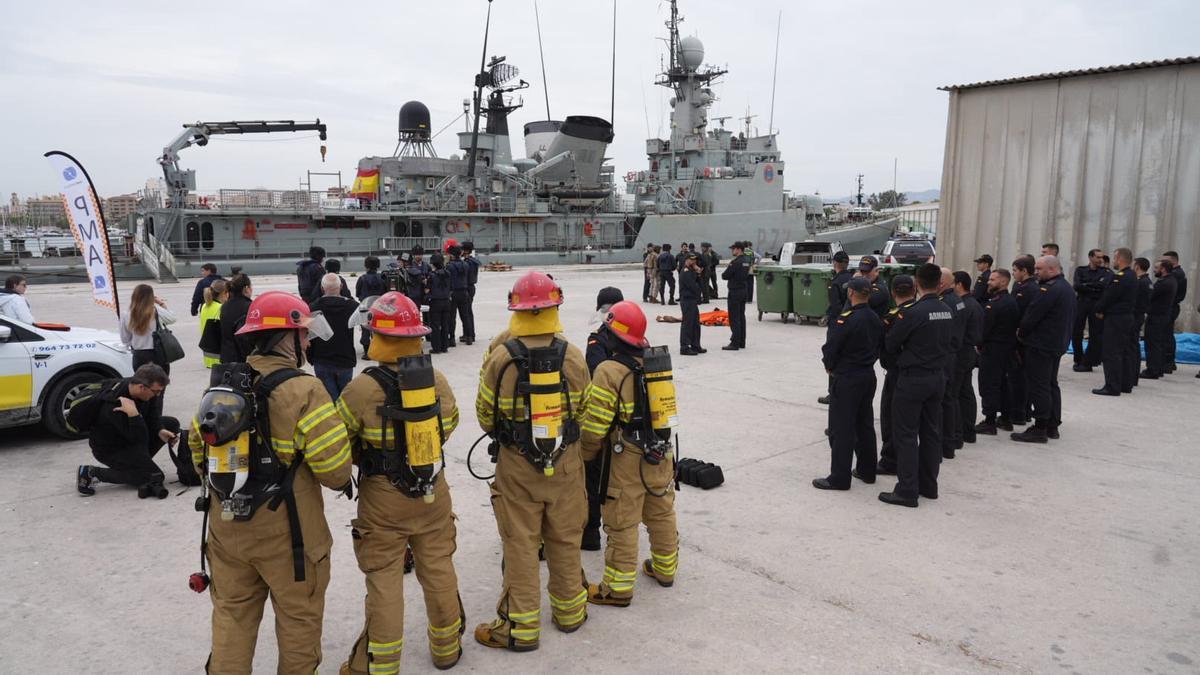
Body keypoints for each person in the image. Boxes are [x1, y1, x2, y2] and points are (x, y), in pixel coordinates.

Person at [187, 290, 353, 673]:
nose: (308, 341)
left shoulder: (220, 388)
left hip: (226, 532)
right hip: (290, 538)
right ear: (287, 337)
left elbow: (199, 456)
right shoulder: (305, 390)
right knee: (298, 620)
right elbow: (336, 473)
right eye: (304, 334)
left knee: (231, 617)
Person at [336, 292, 466, 673]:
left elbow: (340, 440)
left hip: (382, 496)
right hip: (432, 490)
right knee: (439, 568)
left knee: (384, 579)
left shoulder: (361, 389)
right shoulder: (436, 379)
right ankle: (446, 650)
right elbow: (450, 423)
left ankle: (381, 664)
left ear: (377, 335)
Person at [474, 271, 590, 652]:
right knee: (566, 538)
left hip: (518, 468)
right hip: (567, 463)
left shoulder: (501, 358)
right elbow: (585, 410)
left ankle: (520, 629)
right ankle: (571, 612)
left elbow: (485, 414)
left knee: (521, 545)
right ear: (555, 306)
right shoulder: (573, 355)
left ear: (516, 308)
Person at [581, 301, 680, 606]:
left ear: (614, 335)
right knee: (661, 510)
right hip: (661, 452)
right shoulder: (655, 363)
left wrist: (586, 453)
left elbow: (595, 425)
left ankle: (618, 589)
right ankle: (665, 569)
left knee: (622, 519)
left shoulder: (609, 370)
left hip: (627, 457)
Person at [878, 263, 953, 508]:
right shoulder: (947, 309)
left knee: (906, 435)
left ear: (918, 284)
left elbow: (891, 343)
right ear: (939, 284)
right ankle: (929, 486)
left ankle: (907, 490)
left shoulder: (912, 313)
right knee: (931, 432)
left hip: (913, 379)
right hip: (937, 377)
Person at [813, 277, 883, 491]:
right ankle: (867, 470)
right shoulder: (875, 317)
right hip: (867, 375)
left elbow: (831, 348)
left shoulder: (846, 319)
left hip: (847, 378)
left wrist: (829, 366)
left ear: (851, 293)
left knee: (841, 429)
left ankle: (839, 477)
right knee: (865, 425)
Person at [76, 363, 178, 499]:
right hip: (111, 449)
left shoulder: (141, 388)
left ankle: (137, 464)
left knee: (171, 424)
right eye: (156, 391)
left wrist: (159, 430)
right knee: (151, 476)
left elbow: (153, 415)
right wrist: (134, 415)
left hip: (129, 438)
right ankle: (91, 473)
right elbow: (139, 440)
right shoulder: (114, 404)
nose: (158, 395)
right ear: (142, 387)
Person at [1012, 256, 1074, 443]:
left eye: (1039, 269)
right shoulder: (1065, 287)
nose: (1036, 272)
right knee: (1050, 384)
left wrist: (1020, 334)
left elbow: (1031, 317)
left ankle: (1040, 427)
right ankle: (1052, 425)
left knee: (1039, 386)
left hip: (1041, 345)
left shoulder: (1049, 290)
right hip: (1056, 344)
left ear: (1053, 269)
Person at [582, 286, 624, 552]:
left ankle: (591, 534)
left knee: (594, 478)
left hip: (603, 420)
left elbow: (595, 375)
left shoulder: (597, 340)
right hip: (631, 423)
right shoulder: (636, 337)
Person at [876, 274, 916, 476]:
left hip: (898, 372)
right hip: (924, 373)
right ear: (913, 290)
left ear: (893, 292)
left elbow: (889, 345)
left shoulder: (895, 316)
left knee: (892, 418)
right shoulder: (924, 310)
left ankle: (890, 460)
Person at [974, 269, 1019, 435]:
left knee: (989, 384)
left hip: (993, 350)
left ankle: (990, 421)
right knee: (1003, 384)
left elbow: (985, 329)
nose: (988, 282)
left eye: (993, 280)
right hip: (1005, 349)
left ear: (1003, 282)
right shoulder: (1009, 301)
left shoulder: (996, 303)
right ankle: (1006, 418)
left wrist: (978, 343)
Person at [1092, 247, 1136, 396]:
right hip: (1125, 317)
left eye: (1115, 258)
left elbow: (1109, 297)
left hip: (1116, 318)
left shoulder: (1121, 276)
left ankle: (1112, 386)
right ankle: (1125, 384)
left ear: (1120, 259)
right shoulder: (1132, 275)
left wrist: (1098, 309)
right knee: (1123, 351)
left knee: (1111, 352)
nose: (1114, 261)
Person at [308, 273, 359, 399]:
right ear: (341, 286)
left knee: (329, 400)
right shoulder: (353, 307)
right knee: (345, 400)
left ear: (321, 288)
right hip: (345, 359)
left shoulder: (313, 308)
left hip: (322, 359)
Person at [936, 268, 966, 459]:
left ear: (942, 284)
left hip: (945, 355)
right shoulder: (957, 300)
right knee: (950, 399)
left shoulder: (945, 303)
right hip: (954, 353)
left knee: (944, 401)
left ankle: (946, 442)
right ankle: (953, 438)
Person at [953, 271, 984, 444]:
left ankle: (958, 433)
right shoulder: (972, 304)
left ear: (958, 284)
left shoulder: (964, 305)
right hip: (969, 352)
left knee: (955, 394)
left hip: (963, 352)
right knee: (965, 392)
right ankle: (968, 430)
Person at [1008, 256, 1039, 427]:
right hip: (1020, 337)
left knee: (1019, 377)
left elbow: (1024, 314)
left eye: (1015, 271)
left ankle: (1020, 413)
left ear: (1024, 271)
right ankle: (1023, 411)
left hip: (1022, 339)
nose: (1013, 274)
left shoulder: (1031, 289)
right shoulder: (1021, 286)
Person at [119, 283, 177, 373]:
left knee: (142, 384)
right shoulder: (155, 310)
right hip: (157, 353)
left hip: (139, 355)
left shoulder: (126, 314)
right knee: (160, 383)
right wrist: (161, 303)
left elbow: (125, 339)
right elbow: (172, 318)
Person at [1072, 249, 1109, 372]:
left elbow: (1104, 286)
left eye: (1102, 257)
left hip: (1096, 304)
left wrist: (1086, 285)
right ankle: (1078, 358)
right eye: (1098, 257)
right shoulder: (1080, 270)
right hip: (1081, 303)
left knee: (1096, 333)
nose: (1100, 260)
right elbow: (1077, 285)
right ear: (1090, 257)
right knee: (1076, 331)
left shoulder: (1106, 272)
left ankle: (1088, 361)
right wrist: (1094, 286)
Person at [1141, 259, 1178, 379]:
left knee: (1153, 344)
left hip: (1157, 317)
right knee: (1158, 344)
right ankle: (1158, 368)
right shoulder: (1170, 281)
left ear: (1163, 269)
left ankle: (1153, 370)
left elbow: (1150, 296)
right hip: (1161, 316)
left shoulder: (1164, 283)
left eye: (1156, 268)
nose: (1154, 270)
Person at [355, 256, 390, 357]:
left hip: (365, 306)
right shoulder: (383, 278)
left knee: (365, 328)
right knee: (379, 328)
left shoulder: (362, 278)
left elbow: (358, 293)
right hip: (380, 307)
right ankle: (380, 348)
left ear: (366, 266)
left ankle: (367, 352)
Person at [219, 273, 254, 365]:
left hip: (227, 355)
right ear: (246, 288)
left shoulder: (225, 306)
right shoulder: (250, 307)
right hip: (244, 358)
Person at [1162, 251, 1187, 374]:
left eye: (1165, 261)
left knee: (1166, 335)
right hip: (1170, 306)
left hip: (1170, 307)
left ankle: (1168, 362)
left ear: (1174, 261)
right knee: (1167, 334)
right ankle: (1168, 361)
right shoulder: (1176, 274)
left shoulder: (1176, 275)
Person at [722, 241, 750, 350]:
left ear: (738, 249)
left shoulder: (735, 262)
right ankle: (742, 341)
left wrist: (729, 266)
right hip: (743, 290)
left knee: (734, 318)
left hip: (734, 291)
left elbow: (725, 275)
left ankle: (735, 343)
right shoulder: (746, 261)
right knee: (741, 317)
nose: (732, 251)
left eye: (733, 249)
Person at [1130, 257, 1153, 388]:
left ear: (1137, 266)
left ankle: (1132, 375)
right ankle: (1133, 375)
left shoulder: (1141, 283)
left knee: (1132, 347)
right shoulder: (1147, 282)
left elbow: (1135, 301)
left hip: (1135, 316)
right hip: (1139, 316)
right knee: (1134, 346)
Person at [447, 245, 475, 346]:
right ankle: (469, 337)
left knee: (452, 317)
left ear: (452, 255)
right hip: (464, 292)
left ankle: (452, 339)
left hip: (453, 292)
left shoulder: (449, 266)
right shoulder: (465, 265)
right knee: (465, 316)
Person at [425, 252, 453, 353]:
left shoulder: (431, 276)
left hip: (435, 302)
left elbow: (427, 290)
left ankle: (436, 347)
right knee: (445, 324)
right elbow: (451, 288)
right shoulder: (448, 273)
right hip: (446, 301)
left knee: (435, 325)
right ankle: (445, 346)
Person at [679, 252, 705, 355]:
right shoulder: (685, 271)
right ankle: (684, 347)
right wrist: (699, 294)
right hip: (687, 300)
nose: (694, 261)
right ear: (687, 260)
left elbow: (697, 282)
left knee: (695, 324)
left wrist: (698, 273)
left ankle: (695, 345)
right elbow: (693, 286)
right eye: (692, 259)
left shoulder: (691, 270)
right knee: (687, 324)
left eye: (695, 260)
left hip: (692, 300)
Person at [199, 279, 227, 369]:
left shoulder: (205, 305)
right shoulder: (221, 308)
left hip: (207, 355)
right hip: (218, 356)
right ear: (224, 293)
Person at [824, 251, 854, 327]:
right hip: (852, 319)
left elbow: (836, 306)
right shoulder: (853, 279)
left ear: (835, 263)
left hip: (839, 321)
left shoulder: (835, 283)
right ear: (847, 264)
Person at [460, 241, 481, 344]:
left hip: (467, 287)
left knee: (466, 312)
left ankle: (469, 335)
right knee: (467, 311)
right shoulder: (473, 261)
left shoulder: (467, 262)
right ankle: (468, 334)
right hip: (471, 287)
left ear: (466, 250)